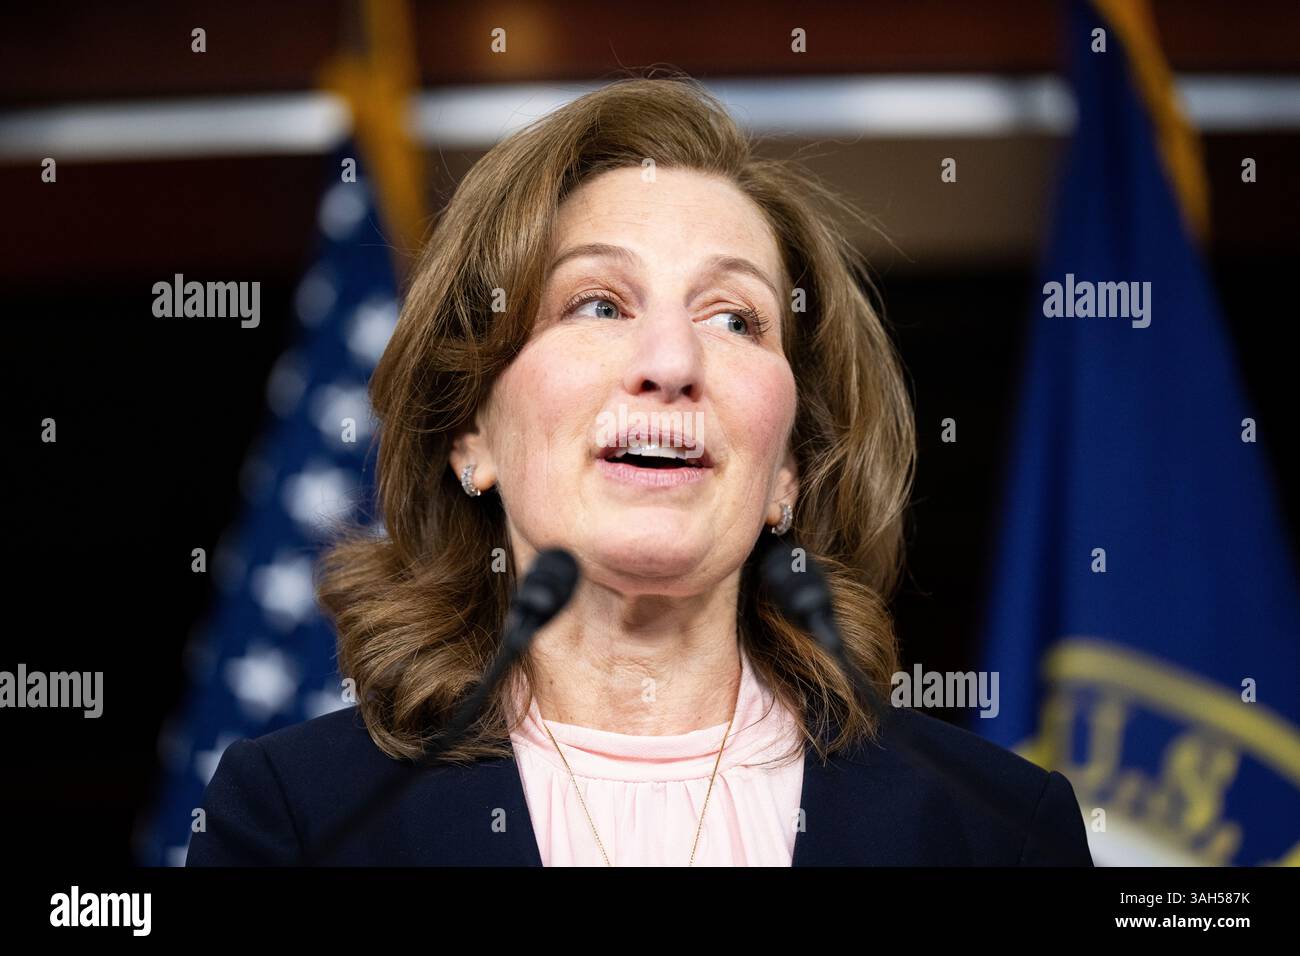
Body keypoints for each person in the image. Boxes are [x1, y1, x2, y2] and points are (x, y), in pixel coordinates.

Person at [187, 74, 1093, 867]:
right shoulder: (298, 818)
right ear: (471, 434)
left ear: (790, 469)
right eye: (597, 303)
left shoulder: (1000, 831)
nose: (671, 359)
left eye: (735, 318)